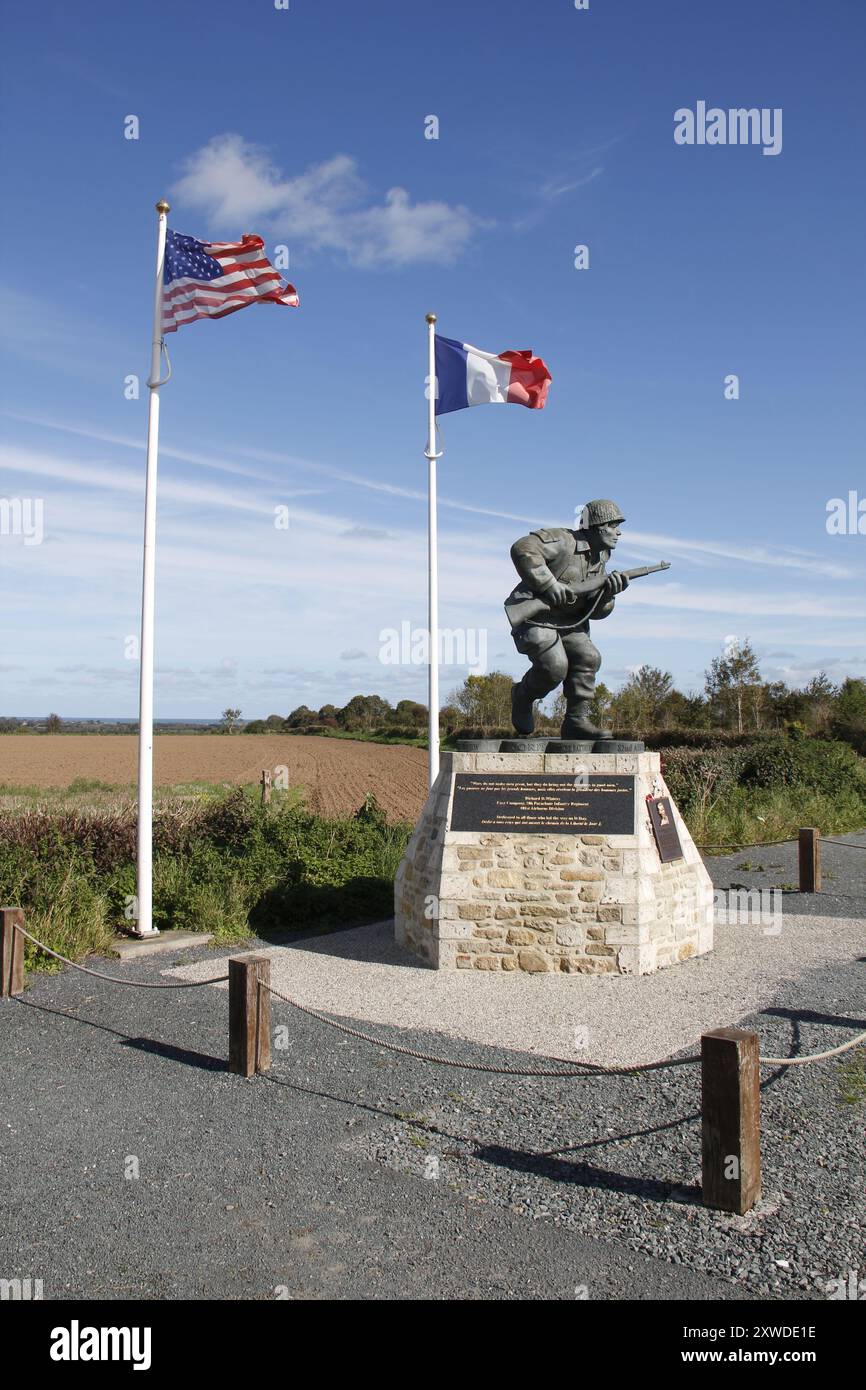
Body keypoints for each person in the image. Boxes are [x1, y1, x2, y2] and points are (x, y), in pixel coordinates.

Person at [505, 499, 629, 739]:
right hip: (536, 618)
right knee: (555, 666)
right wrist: (549, 584)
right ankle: (522, 696)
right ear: (598, 525)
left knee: (589, 657)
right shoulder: (563, 540)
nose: (619, 532)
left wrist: (608, 595)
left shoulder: (601, 557)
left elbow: (598, 612)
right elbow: (522, 548)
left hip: (570, 623)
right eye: (614, 525)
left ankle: (576, 721)